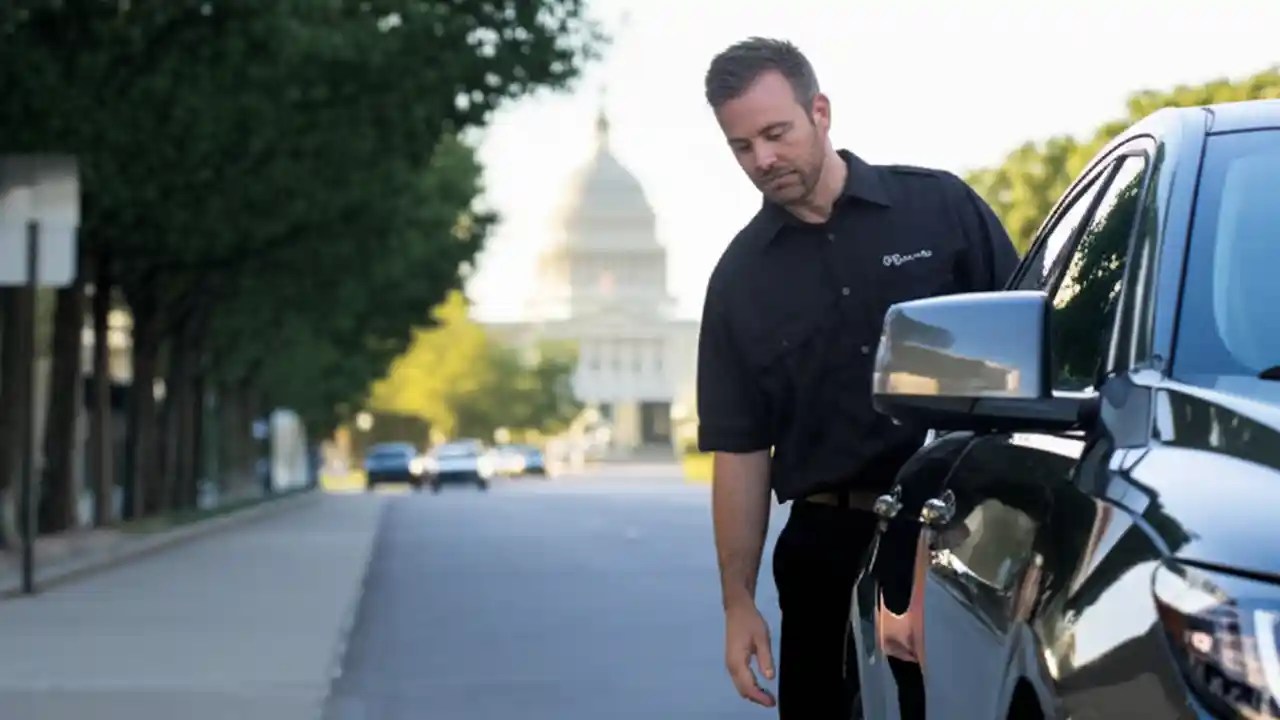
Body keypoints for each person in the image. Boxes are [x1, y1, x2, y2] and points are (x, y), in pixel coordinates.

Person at [697, 37, 1020, 718]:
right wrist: (737, 603)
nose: (763, 160)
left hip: (962, 536)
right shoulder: (740, 281)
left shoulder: (941, 210)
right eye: (741, 147)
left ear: (820, 110)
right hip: (826, 553)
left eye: (775, 133)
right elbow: (740, 451)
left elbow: (1034, 347)